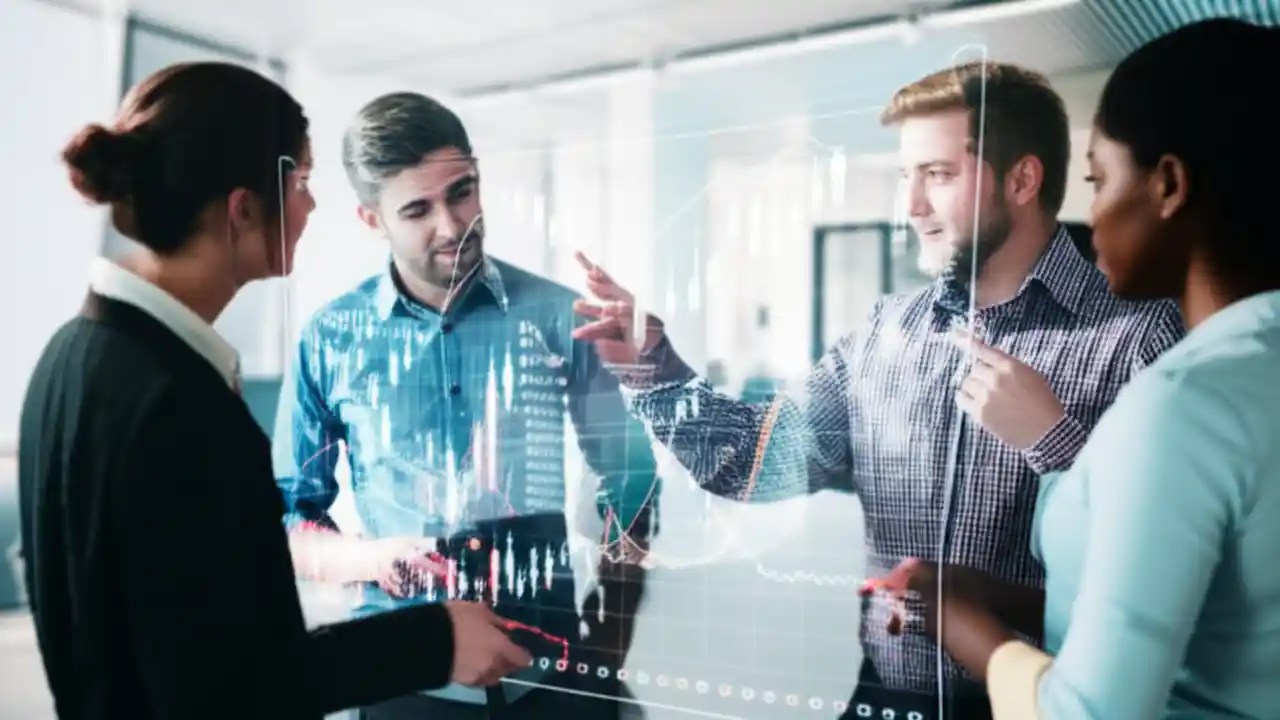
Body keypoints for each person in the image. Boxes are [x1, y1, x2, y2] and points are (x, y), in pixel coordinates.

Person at [572, 62, 1185, 718]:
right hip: (883, 699)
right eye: (905, 177)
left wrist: (1055, 443)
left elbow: (1160, 568)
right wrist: (655, 370)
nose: (911, 206)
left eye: (938, 175)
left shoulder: (1142, 337)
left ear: (1022, 179)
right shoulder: (882, 334)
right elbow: (753, 463)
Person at [16, 62, 530, 720]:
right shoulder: (179, 406)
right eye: (303, 182)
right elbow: (242, 685)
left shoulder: (70, 358)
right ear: (244, 208)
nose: (311, 206)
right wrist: (436, 640)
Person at [874, 18, 1280, 719]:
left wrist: (958, 621)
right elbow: (1205, 606)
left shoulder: (1181, 396)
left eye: (1098, 180)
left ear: (1169, 184)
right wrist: (998, 595)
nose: (1090, 214)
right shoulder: (1255, 365)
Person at [273, 92, 658, 719]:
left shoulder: (559, 316)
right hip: (404, 677)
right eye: (418, 209)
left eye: (462, 192)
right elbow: (291, 517)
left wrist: (612, 632)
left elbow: (631, 475)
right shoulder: (330, 338)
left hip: (552, 675)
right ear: (373, 220)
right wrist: (370, 559)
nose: (451, 225)